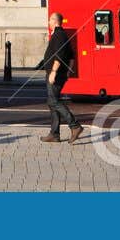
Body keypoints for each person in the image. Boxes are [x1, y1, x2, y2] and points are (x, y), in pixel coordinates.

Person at [40, 12, 83, 144]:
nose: (48, 22)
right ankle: (54, 134)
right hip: (59, 74)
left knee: (53, 101)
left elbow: (59, 56)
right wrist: (69, 70)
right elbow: (71, 55)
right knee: (52, 101)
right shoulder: (62, 34)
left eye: (50, 20)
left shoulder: (58, 35)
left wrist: (53, 72)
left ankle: (75, 126)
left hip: (56, 75)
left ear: (55, 21)